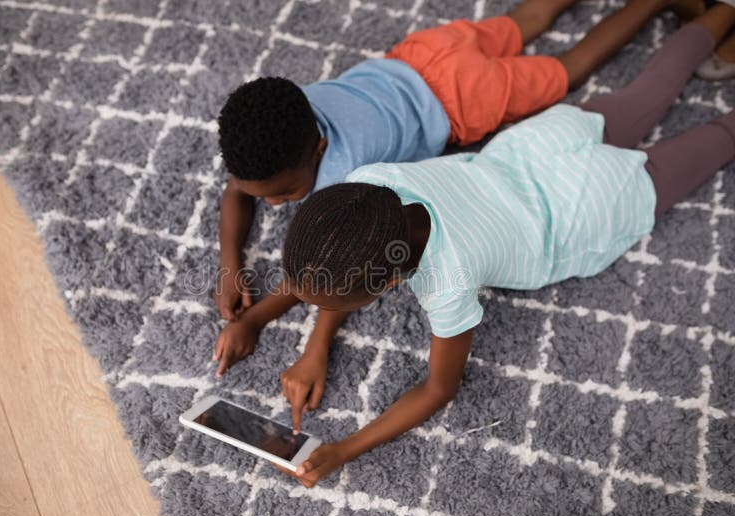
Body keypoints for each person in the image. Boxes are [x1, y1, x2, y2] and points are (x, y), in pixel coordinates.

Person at [273, 3, 735, 487]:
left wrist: (344, 449)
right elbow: (341, 250)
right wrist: (315, 347)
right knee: (653, 85)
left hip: (589, 208)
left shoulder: (447, 283)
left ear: (390, 281)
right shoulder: (372, 180)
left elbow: (437, 389)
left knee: (720, 138)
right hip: (544, 145)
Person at [213, 0, 704, 375]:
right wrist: (230, 268)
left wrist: (291, 338)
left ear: (319, 152)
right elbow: (240, 189)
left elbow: (337, 271)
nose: (273, 204)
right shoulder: (290, 112)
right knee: (525, 20)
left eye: (280, 194)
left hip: (464, 101)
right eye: (265, 197)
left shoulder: (348, 175)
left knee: (569, 68)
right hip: (422, 54)